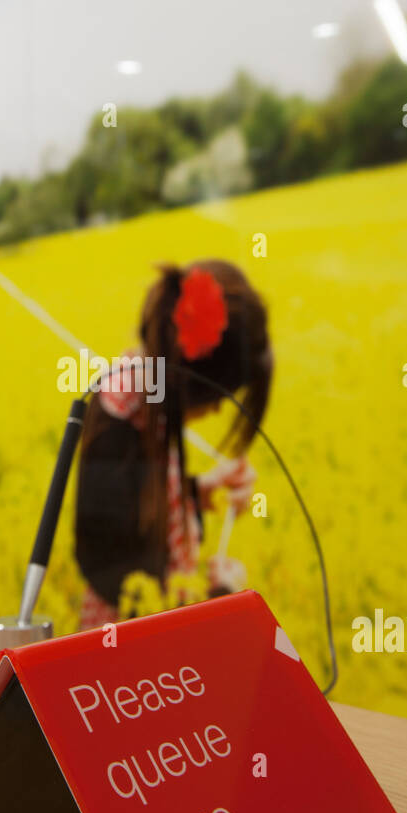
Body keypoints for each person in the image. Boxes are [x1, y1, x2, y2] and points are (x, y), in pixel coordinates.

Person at [75, 259, 273, 630]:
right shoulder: (121, 423)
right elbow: (120, 576)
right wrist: (219, 594)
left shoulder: (143, 395)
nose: (216, 409)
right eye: (221, 397)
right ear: (192, 384)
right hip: (131, 659)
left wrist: (196, 493)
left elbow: (135, 510)